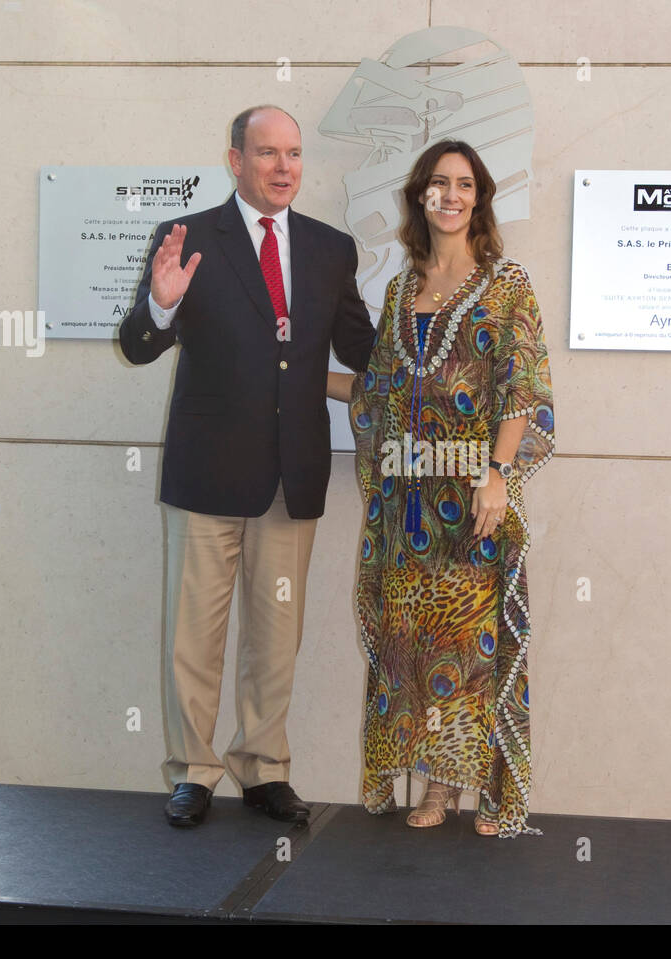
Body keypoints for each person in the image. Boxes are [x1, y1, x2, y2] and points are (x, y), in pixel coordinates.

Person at [118, 105, 374, 828]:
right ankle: (194, 772)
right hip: (207, 476)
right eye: (267, 153)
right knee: (193, 635)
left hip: (292, 478)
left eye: (293, 153)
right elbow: (136, 345)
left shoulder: (330, 249)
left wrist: (436, 332)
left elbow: (363, 348)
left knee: (276, 636)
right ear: (235, 160)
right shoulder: (189, 239)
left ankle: (264, 768)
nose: (284, 166)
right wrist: (161, 308)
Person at [329, 139, 555, 838]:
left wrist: (496, 473)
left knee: (469, 646)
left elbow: (524, 388)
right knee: (413, 646)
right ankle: (430, 777)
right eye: (438, 183)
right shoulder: (401, 290)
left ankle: (451, 788)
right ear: (419, 196)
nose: (450, 195)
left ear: (479, 199)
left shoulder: (508, 284)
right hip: (407, 507)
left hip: (473, 503)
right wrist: (294, 374)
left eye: (464, 185)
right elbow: (379, 392)